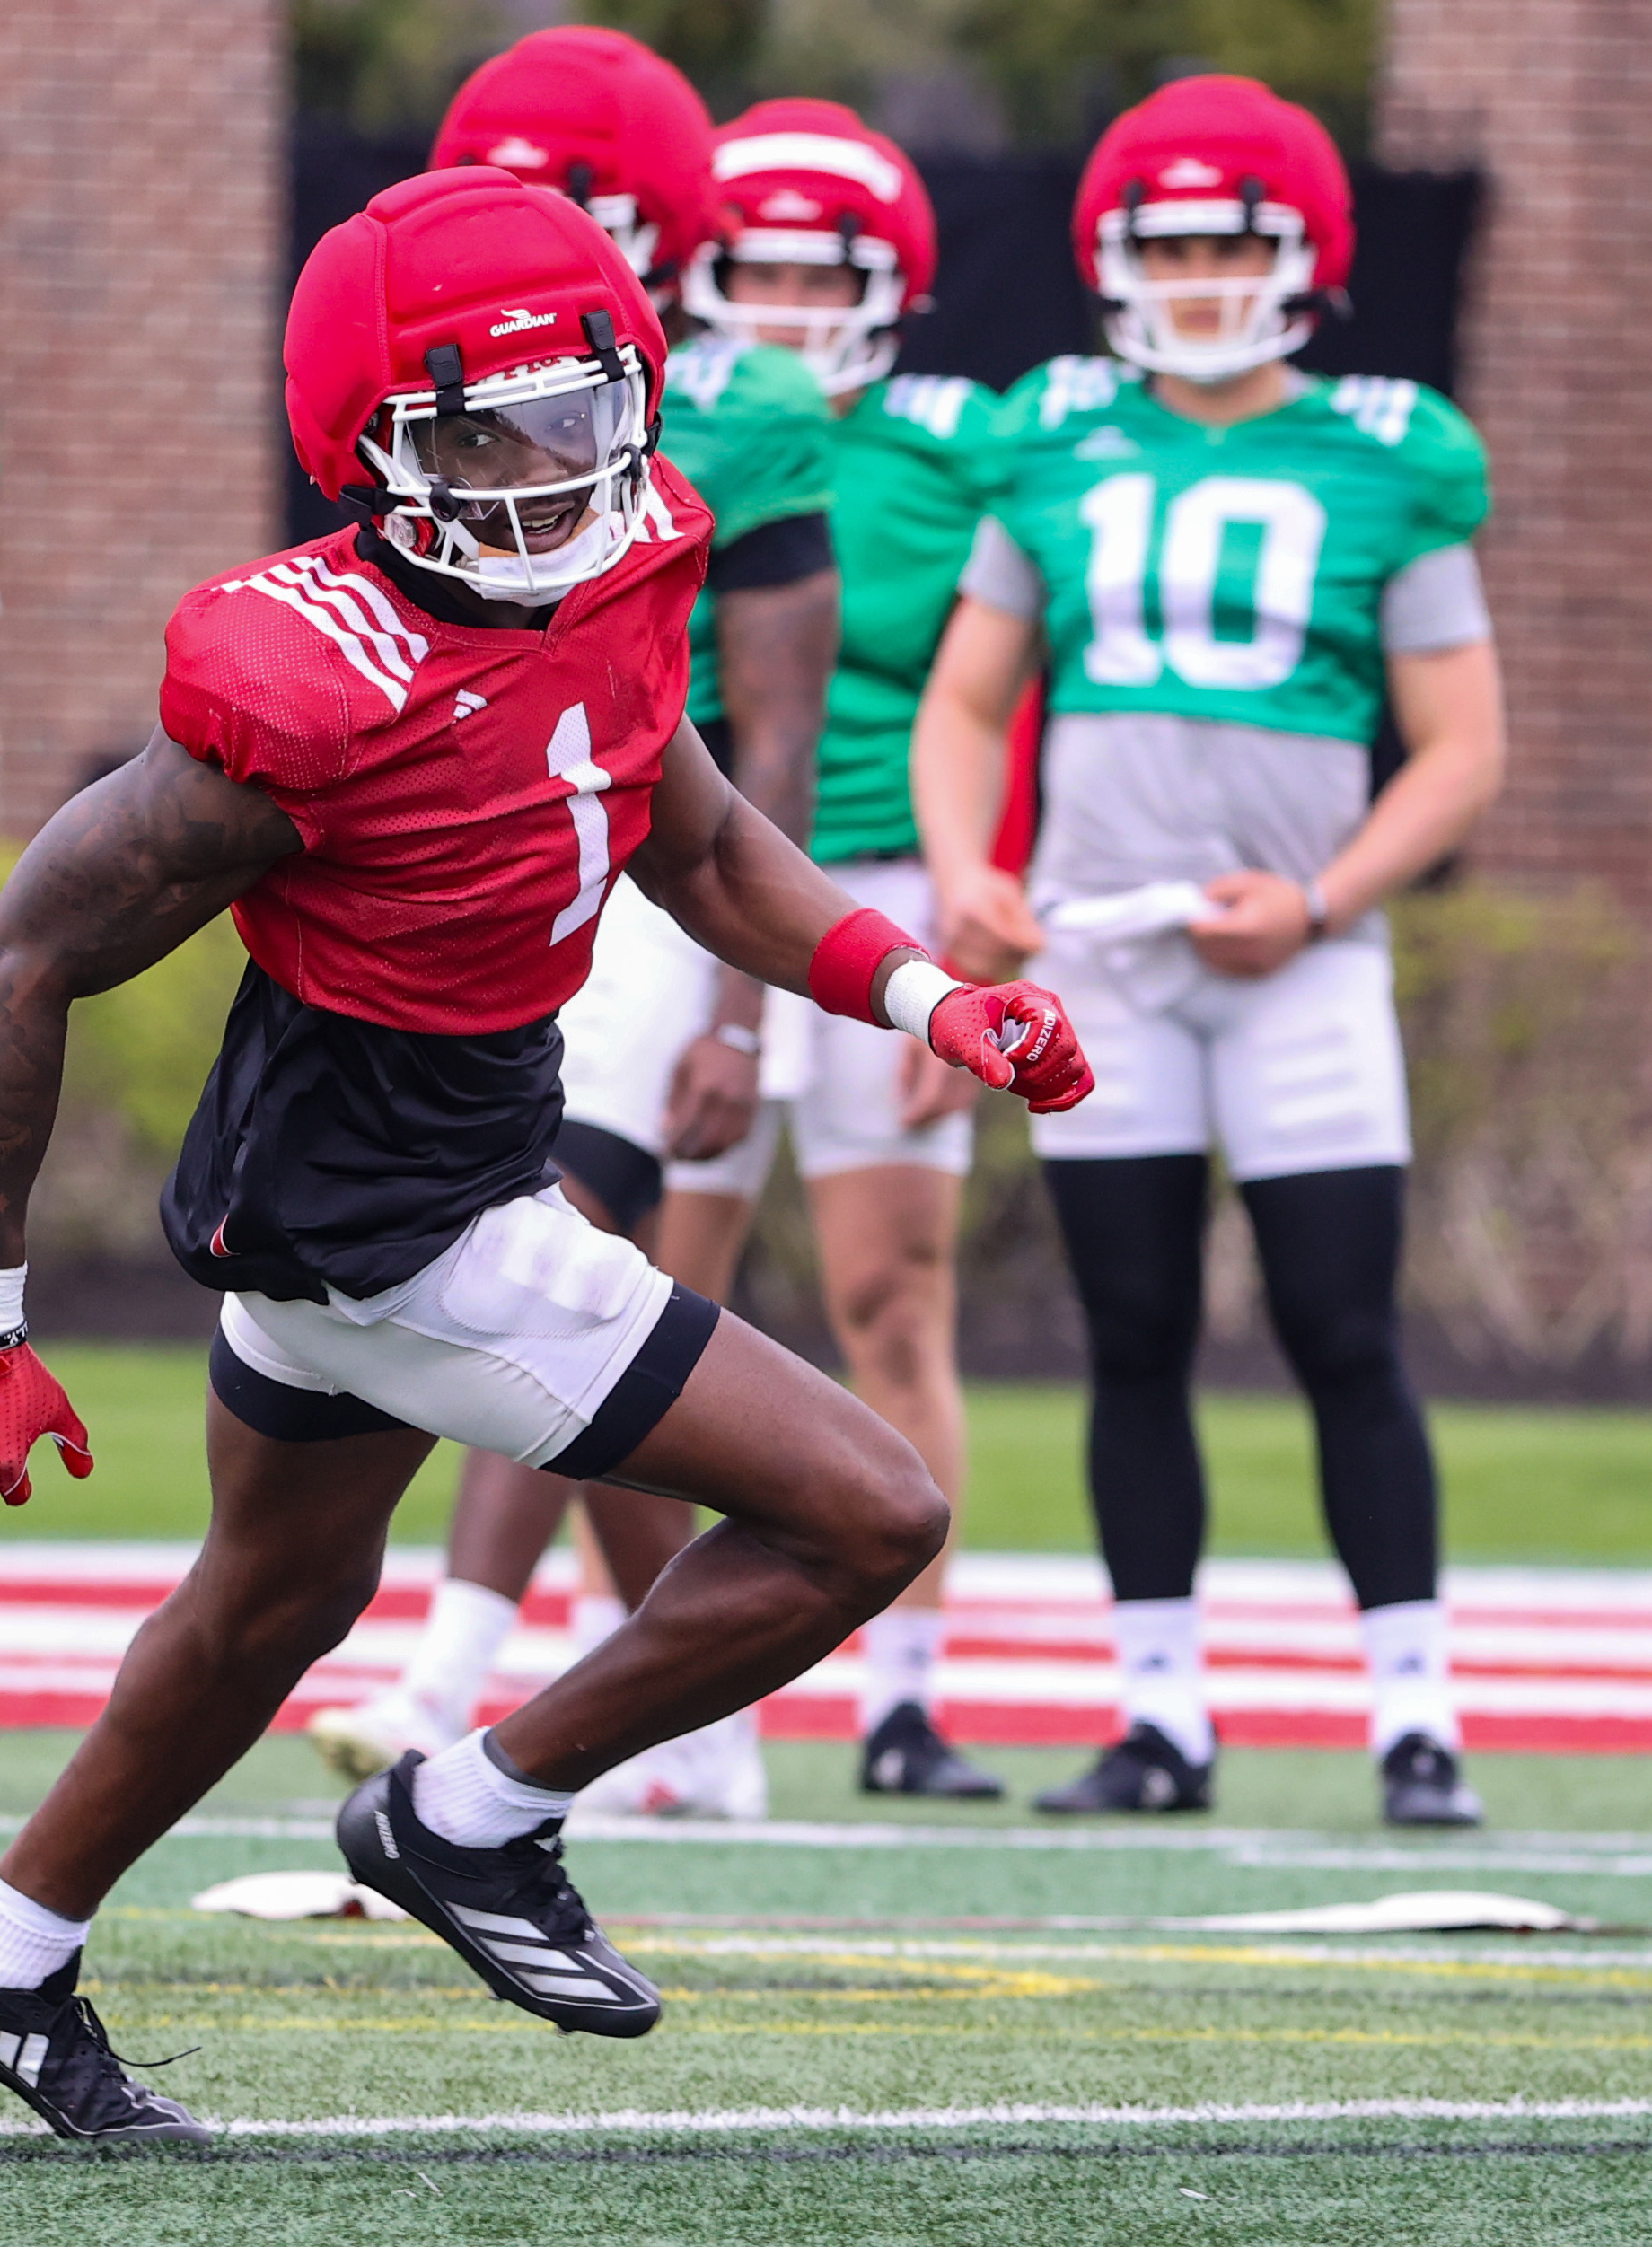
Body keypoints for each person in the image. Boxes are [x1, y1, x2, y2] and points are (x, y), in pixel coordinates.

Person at [0, 168, 1089, 2144]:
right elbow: (26, 957)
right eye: (485, 429)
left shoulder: (623, 568)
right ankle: (467, 1815)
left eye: (578, 407)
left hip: (400, 1171)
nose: (550, 462)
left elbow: (692, 846)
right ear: (372, 451)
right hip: (395, 1219)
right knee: (868, 1513)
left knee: (265, 1608)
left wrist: (922, 996)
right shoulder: (308, 683)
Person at [910, 75, 1507, 1827]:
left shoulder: (1385, 448)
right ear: (1113, 252)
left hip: (1298, 956)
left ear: (1296, 254)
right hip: (1102, 951)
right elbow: (962, 701)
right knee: (1134, 1327)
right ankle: (1158, 1714)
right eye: (1160, 240)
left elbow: (1460, 745)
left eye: (1225, 238)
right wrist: (964, 870)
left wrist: (1319, 901)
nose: (1189, 271)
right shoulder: (1056, 433)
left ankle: (1415, 1717)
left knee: (1339, 1327)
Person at [303, 26, 841, 1822]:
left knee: (572, 1247)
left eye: (576, 212)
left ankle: (462, 1671)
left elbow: (767, 724)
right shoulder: (429, 375)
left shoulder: (736, 405)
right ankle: (689, 1727)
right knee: (569, 1282)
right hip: (480, 858)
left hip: (645, 861)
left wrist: (740, 1012)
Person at [644, 99, 1009, 1798]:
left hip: (875, 888)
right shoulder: (658, 412)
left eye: (821, 273)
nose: (785, 305)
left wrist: (987, 897)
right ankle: (678, 1692)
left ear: (892, 283)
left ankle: (904, 1691)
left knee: (890, 1291)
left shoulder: (960, 444)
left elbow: (1013, 686)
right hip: (685, 882)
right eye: (756, 271)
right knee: (653, 1308)